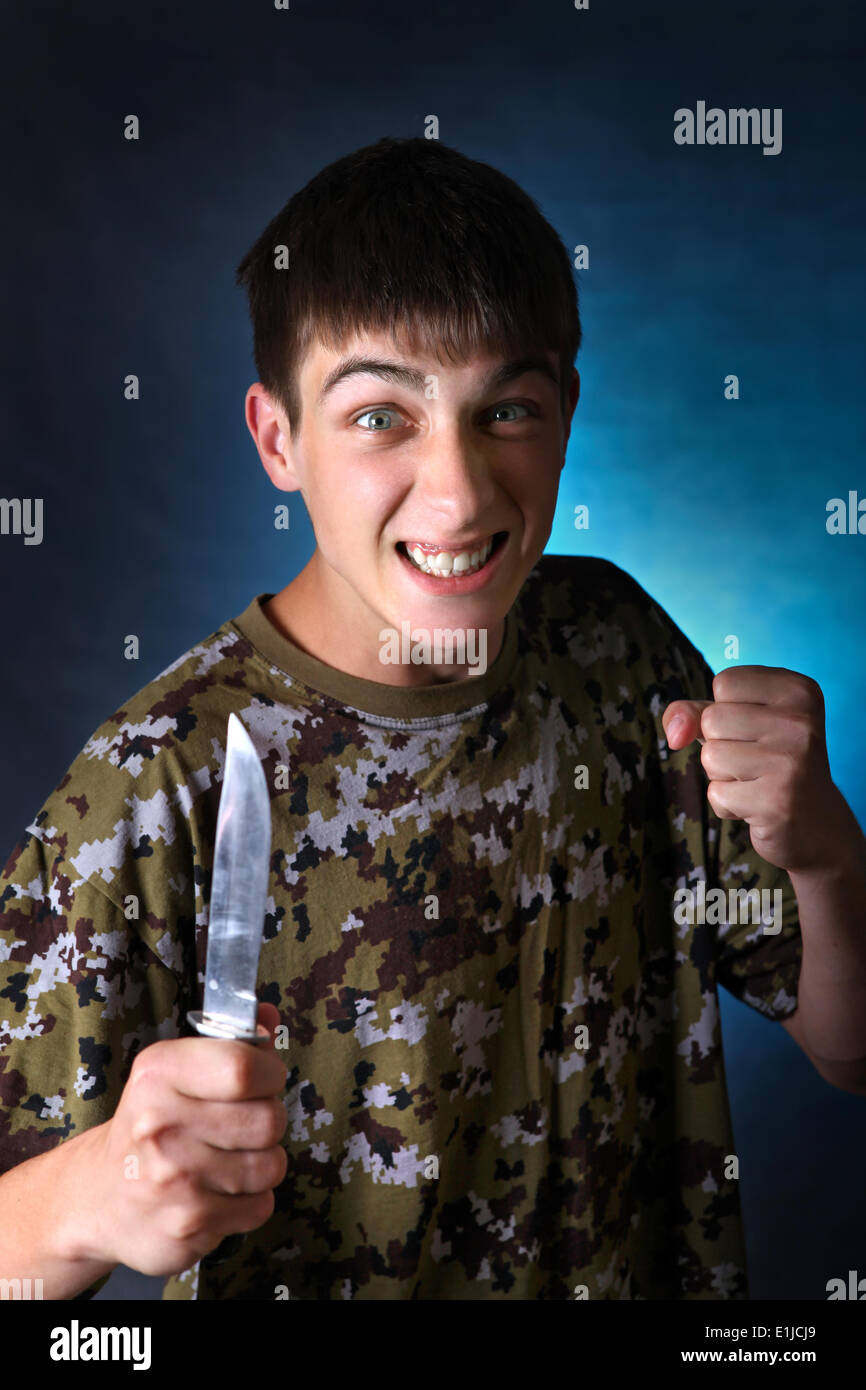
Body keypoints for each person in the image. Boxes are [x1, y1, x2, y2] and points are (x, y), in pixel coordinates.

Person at [1, 136, 864, 1302]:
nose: (456, 493)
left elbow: (846, 1050)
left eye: (503, 410)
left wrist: (822, 855)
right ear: (276, 437)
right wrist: (87, 1194)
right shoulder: (156, 785)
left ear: (565, 413)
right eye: (379, 417)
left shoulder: (617, 655)